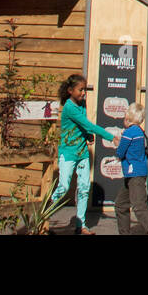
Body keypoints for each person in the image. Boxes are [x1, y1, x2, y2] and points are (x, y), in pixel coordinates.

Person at [50, 74, 117, 234]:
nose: (83, 93)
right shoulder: (69, 107)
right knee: (64, 186)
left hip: (82, 153)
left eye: (84, 89)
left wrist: (87, 135)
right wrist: (111, 137)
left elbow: (83, 125)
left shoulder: (82, 104)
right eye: (80, 90)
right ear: (70, 90)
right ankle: (45, 213)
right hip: (68, 153)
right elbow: (87, 123)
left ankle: (81, 225)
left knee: (84, 187)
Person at [114, 102, 148, 235]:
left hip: (133, 174)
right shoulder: (140, 131)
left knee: (139, 205)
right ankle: (125, 232)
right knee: (121, 204)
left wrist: (117, 143)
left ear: (128, 117)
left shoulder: (129, 132)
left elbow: (120, 153)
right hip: (137, 173)